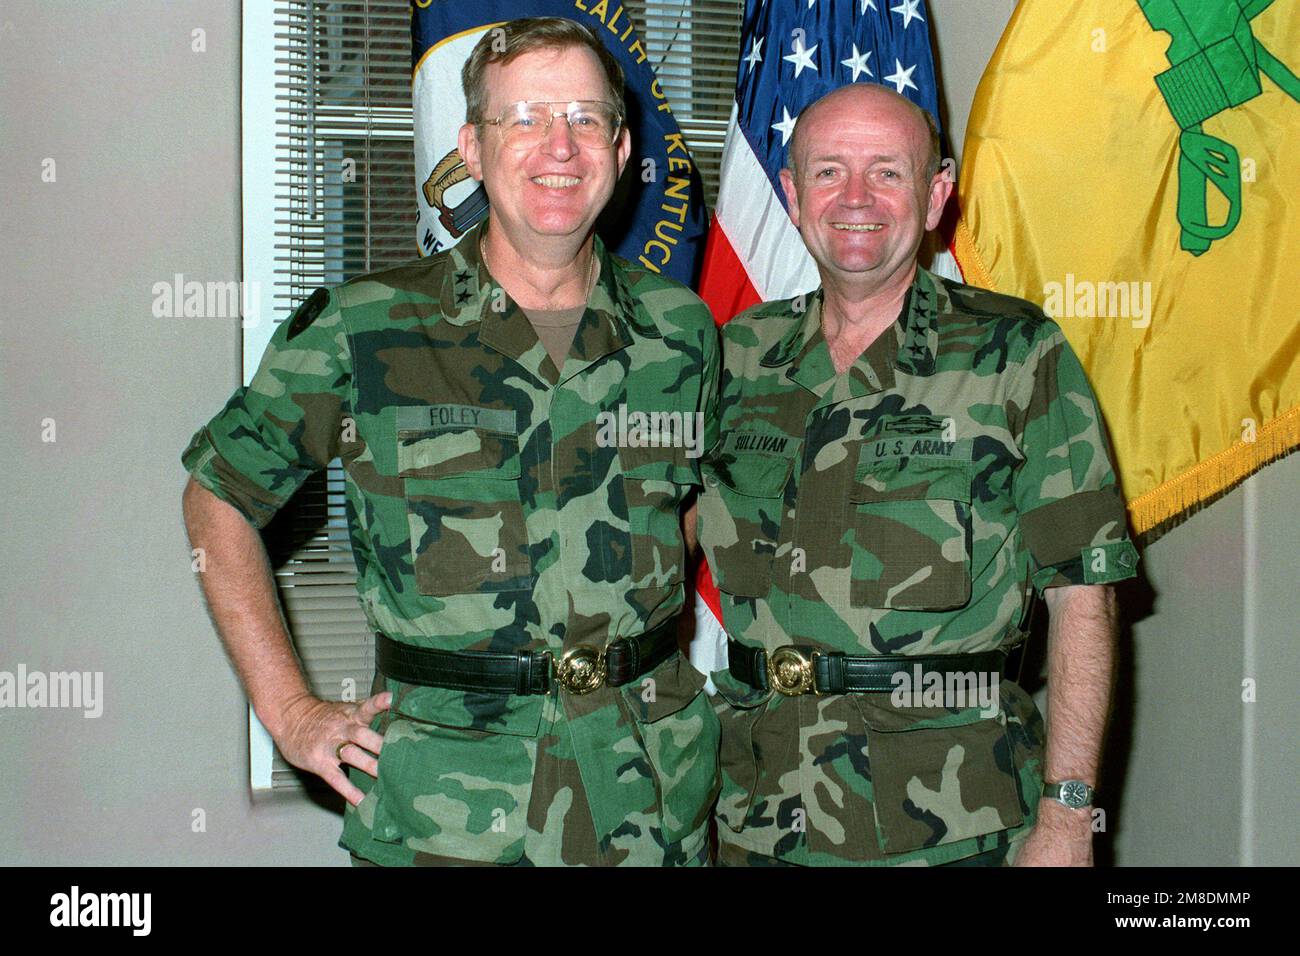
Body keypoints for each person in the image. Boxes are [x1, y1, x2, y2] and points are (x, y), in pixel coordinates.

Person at [181, 17, 720, 867]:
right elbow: (218, 495)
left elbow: (688, 510)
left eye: (585, 119)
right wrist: (290, 712)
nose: (560, 145)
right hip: (447, 810)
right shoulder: (364, 327)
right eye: (527, 118)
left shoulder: (682, 330)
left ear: (621, 151)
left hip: (648, 793)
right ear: (471, 148)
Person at [695, 82, 1139, 866]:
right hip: (759, 817)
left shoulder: (1015, 355)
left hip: (952, 823)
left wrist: (1069, 816)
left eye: (887, 173)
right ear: (792, 196)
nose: (856, 197)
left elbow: (1084, 596)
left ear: (936, 196)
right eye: (828, 172)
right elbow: (639, 564)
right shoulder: (733, 361)